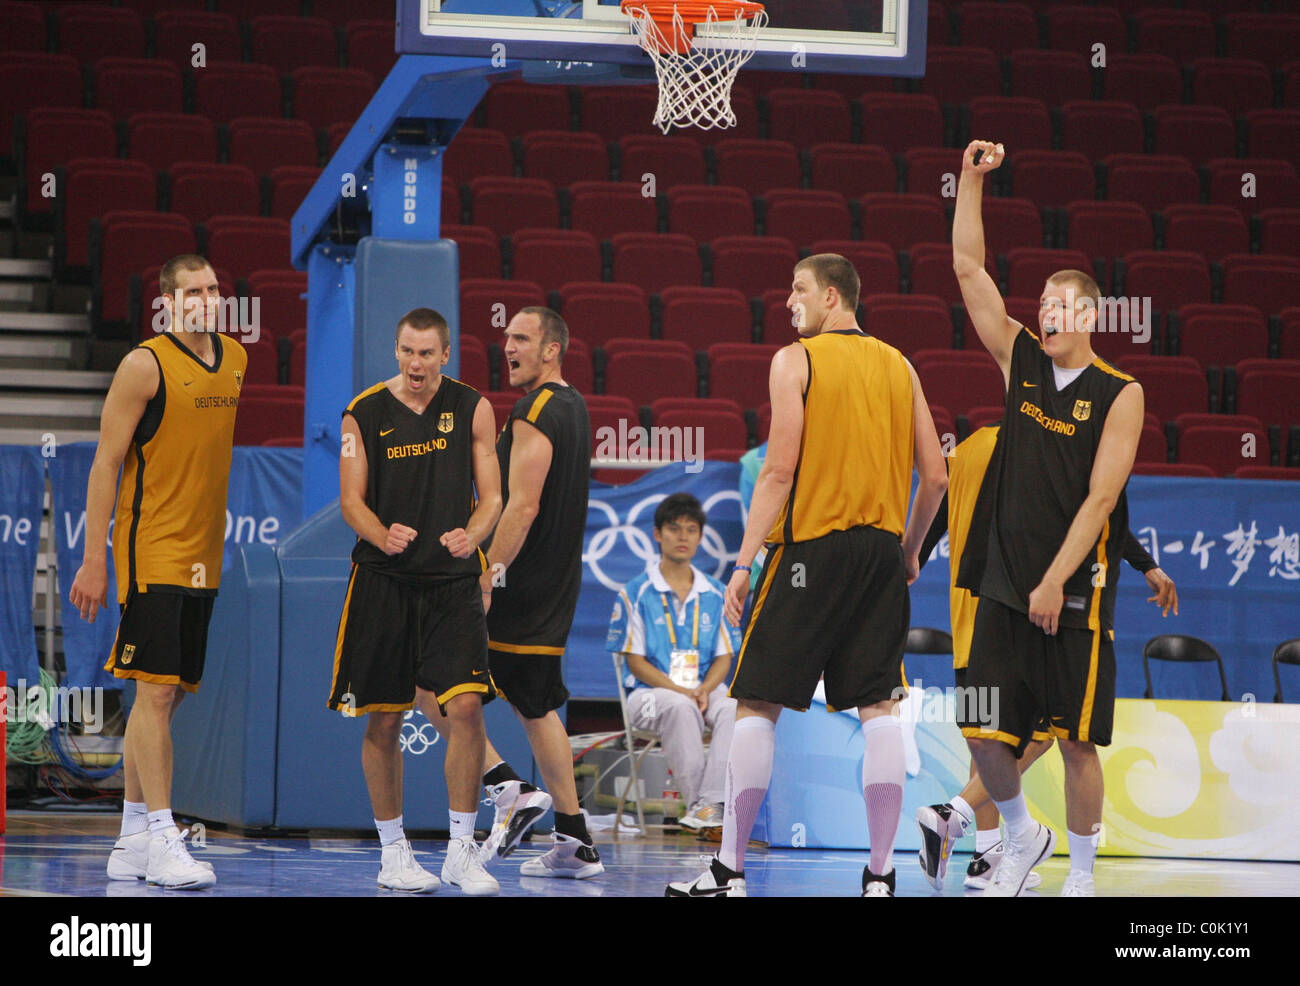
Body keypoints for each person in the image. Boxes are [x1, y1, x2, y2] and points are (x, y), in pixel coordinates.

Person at [668, 253, 949, 897]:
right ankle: (880, 878)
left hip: (807, 554)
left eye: (796, 290)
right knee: (879, 707)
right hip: (880, 554)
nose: (786, 301)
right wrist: (908, 550)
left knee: (757, 702)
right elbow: (935, 476)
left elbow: (778, 470)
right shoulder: (901, 365)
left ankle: (727, 871)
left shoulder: (796, 359)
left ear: (830, 297)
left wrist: (742, 564)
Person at [951, 140, 1145, 897]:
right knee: (978, 724)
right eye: (1042, 307)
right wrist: (971, 181)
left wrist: (1053, 580)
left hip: (1074, 594)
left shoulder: (1120, 391)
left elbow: (1102, 500)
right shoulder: (1023, 363)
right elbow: (970, 270)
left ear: (1091, 314)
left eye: (1062, 307)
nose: (1048, 316)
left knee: (1074, 742)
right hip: (1001, 586)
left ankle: (1084, 877)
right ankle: (1022, 834)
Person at [913, 423, 1178, 891]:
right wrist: (1146, 565)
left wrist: (906, 561)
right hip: (1016, 619)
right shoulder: (1040, 450)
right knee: (1048, 735)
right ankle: (955, 813)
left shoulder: (967, 451)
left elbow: (933, 524)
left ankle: (986, 855)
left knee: (985, 737)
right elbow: (1094, 517)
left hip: (966, 630)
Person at [70, 254, 247, 890]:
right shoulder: (143, 365)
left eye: (213, 287)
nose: (205, 298)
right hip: (153, 548)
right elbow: (104, 465)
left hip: (205, 553)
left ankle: (130, 839)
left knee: (165, 701)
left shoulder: (234, 358)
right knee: (154, 690)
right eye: (192, 291)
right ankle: (165, 835)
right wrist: (95, 557)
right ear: (167, 302)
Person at [328, 307, 503, 895]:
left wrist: (474, 534)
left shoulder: (473, 407)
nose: (416, 363)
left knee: (468, 709)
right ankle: (394, 852)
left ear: (445, 354)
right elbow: (351, 501)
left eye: (427, 353)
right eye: (407, 351)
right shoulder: (362, 413)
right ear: (396, 350)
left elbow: (494, 496)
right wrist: (381, 534)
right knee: (383, 718)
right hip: (383, 582)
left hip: (452, 583)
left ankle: (461, 851)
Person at [430, 306, 602, 878]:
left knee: (427, 678)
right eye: (507, 337)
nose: (509, 347)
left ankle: (508, 790)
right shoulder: (574, 406)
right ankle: (577, 842)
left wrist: (487, 576)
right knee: (536, 703)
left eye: (523, 339)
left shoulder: (536, 410)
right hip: (553, 585)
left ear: (552, 349)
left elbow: (523, 506)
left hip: (520, 585)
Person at [606, 492, 740, 830]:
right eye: (674, 528)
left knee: (735, 708)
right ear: (656, 534)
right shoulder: (635, 592)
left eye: (691, 530)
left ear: (699, 537)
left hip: (704, 690)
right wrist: (682, 691)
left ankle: (711, 805)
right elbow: (635, 663)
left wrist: (705, 689)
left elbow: (725, 656)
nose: (683, 537)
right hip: (648, 696)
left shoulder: (715, 592)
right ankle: (702, 806)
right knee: (678, 708)